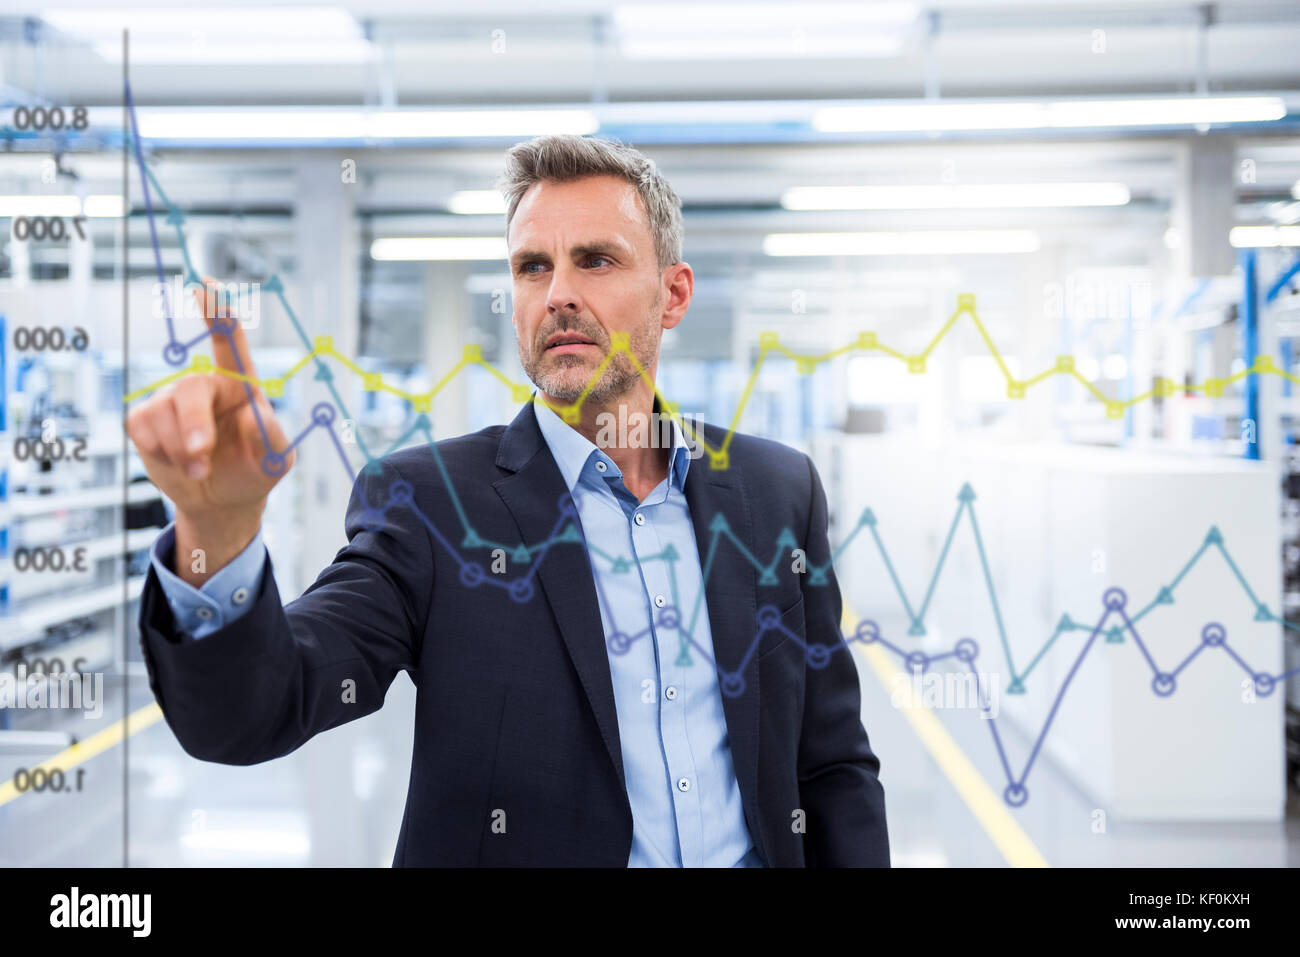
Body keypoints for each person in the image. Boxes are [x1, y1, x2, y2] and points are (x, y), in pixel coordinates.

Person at [127, 133, 889, 867]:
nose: (558, 293)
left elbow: (832, 764)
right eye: (532, 266)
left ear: (673, 294)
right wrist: (214, 534)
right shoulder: (431, 504)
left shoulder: (776, 489)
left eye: (595, 260)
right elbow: (261, 705)